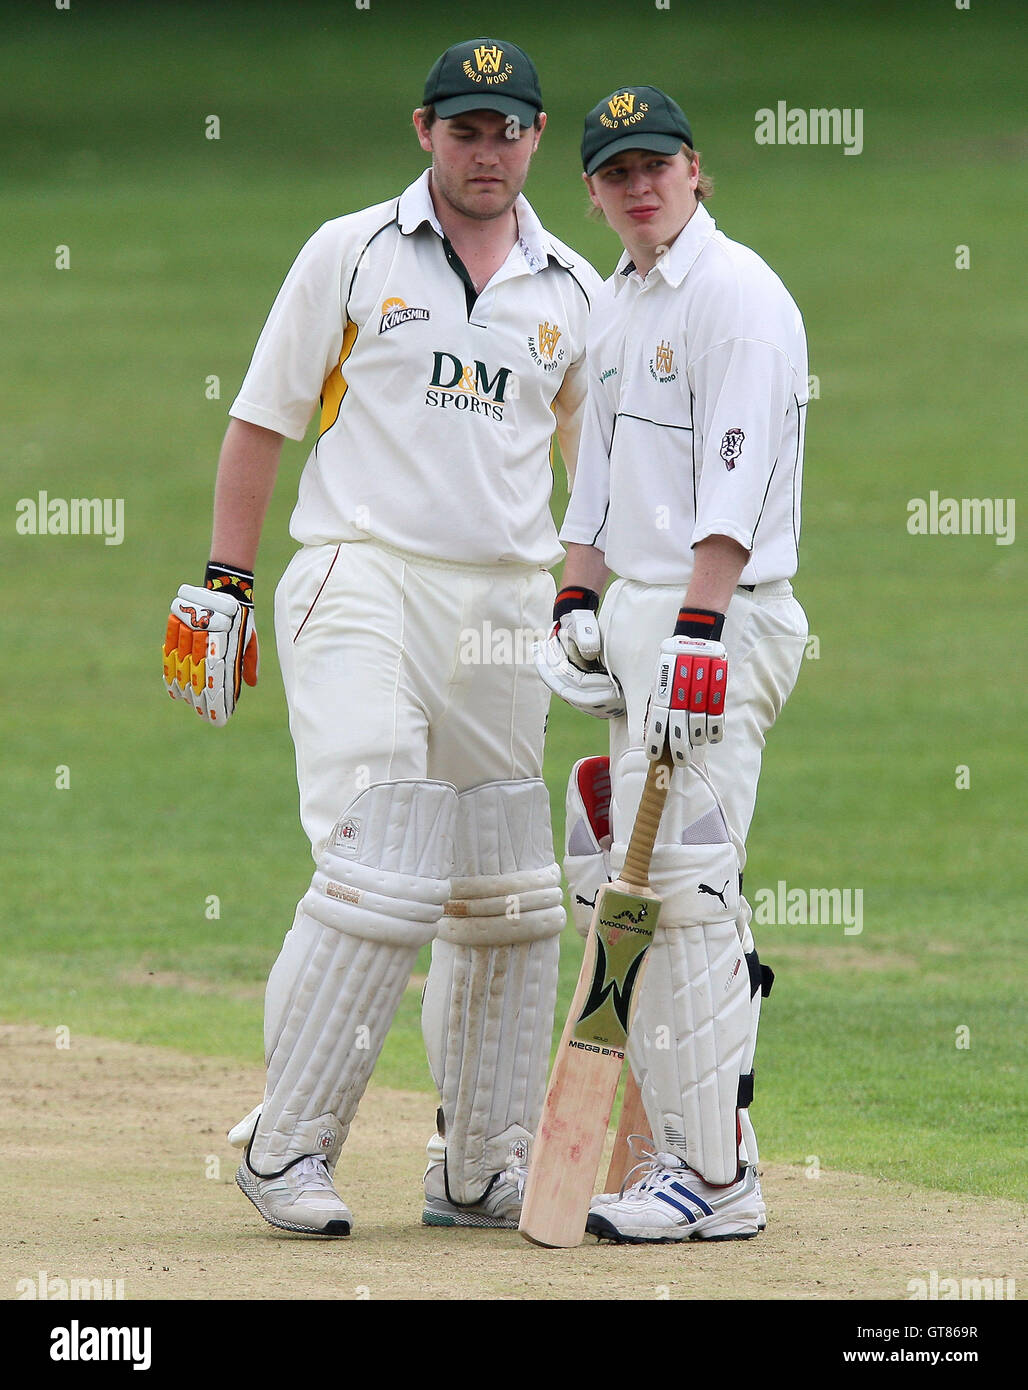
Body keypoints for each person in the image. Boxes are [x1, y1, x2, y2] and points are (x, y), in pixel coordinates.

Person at [162, 38, 601, 1237]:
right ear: (425, 132)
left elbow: (596, 475)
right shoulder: (351, 251)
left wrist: (593, 602)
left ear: (534, 134)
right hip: (359, 574)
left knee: (505, 894)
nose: (486, 151)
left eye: (506, 129)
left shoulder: (573, 292)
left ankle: (476, 1165)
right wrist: (224, 583)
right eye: (463, 129)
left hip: (506, 605)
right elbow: (261, 419)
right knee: (377, 861)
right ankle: (289, 1144)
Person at [538, 85, 809, 1242]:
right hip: (641, 619)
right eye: (614, 171)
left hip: (721, 616)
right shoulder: (615, 303)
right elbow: (592, 476)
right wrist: (572, 594)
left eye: (656, 163)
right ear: (592, 191)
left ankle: (712, 1178)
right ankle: (696, 1159)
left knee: (689, 895)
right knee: (625, 884)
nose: (637, 185)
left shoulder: (736, 294)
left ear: (695, 170)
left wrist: (697, 626)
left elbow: (736, 477)